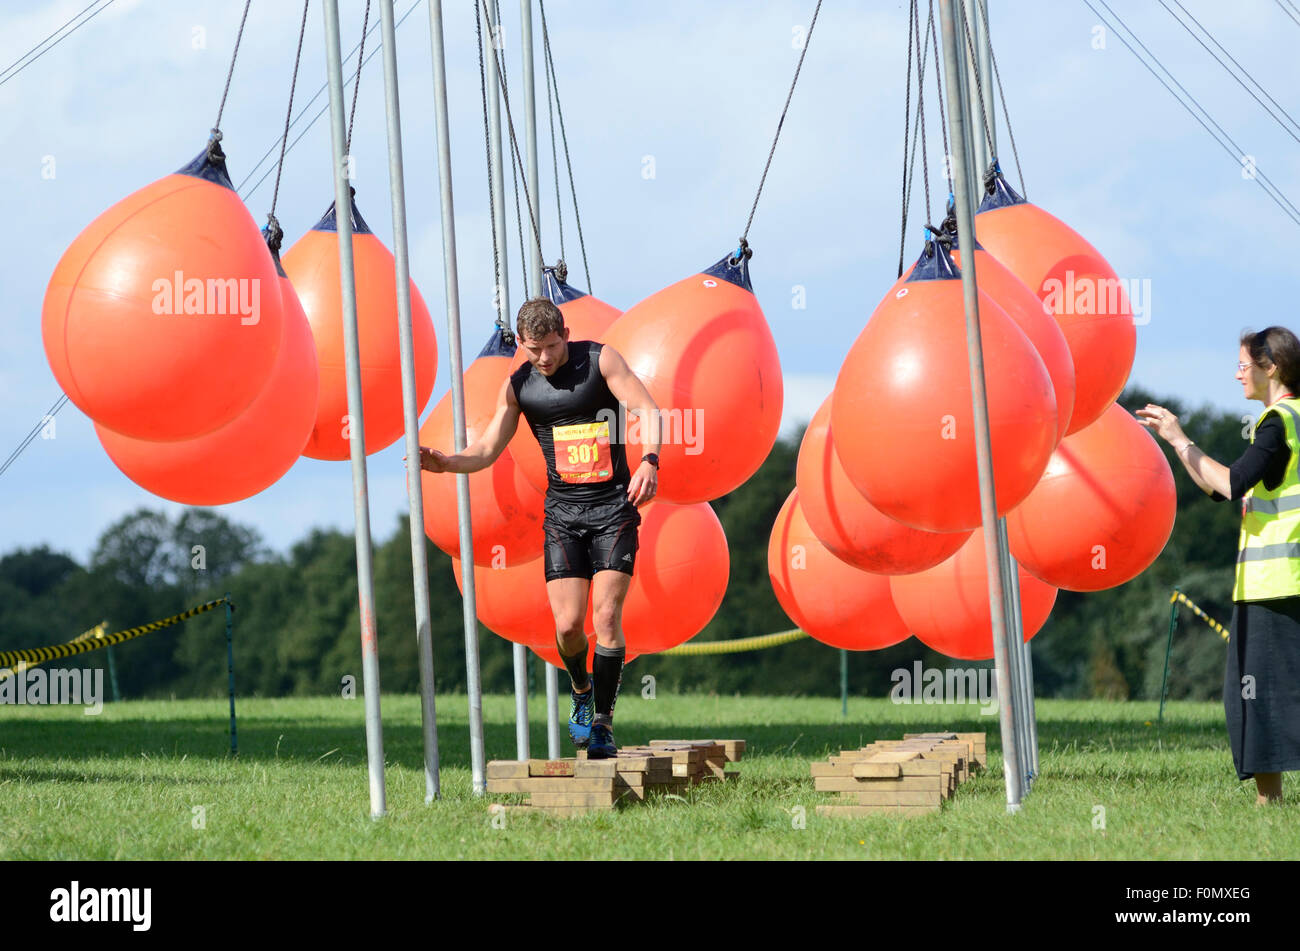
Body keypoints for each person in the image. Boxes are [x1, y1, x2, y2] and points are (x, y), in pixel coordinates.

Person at [417, 298, 661, 759]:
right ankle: (582, 690)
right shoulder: (520, 387)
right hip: (563, 518)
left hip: (613, 509)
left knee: (606, 618)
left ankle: (604, 726)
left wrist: (650, 458)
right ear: (523, 346)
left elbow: (648, 409)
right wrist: (447, 463)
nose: (545, 358)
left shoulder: (600, 360)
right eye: (534, 350)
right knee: (569, 626)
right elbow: (487, 449)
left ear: (565, 334)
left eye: (551, 346)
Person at [1137, 326, 1300, 805]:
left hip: (1276, 582)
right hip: (1281, 580)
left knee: (1258, 695)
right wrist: (1178, 446)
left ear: (1272, 368)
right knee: (1264, 692)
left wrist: (1179, 437)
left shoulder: (1277, 422)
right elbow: (1220, 487)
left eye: (1244, 366)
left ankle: (1268, 802)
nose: (1237, 375)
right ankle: (1268, 802)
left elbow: (1231, 483)